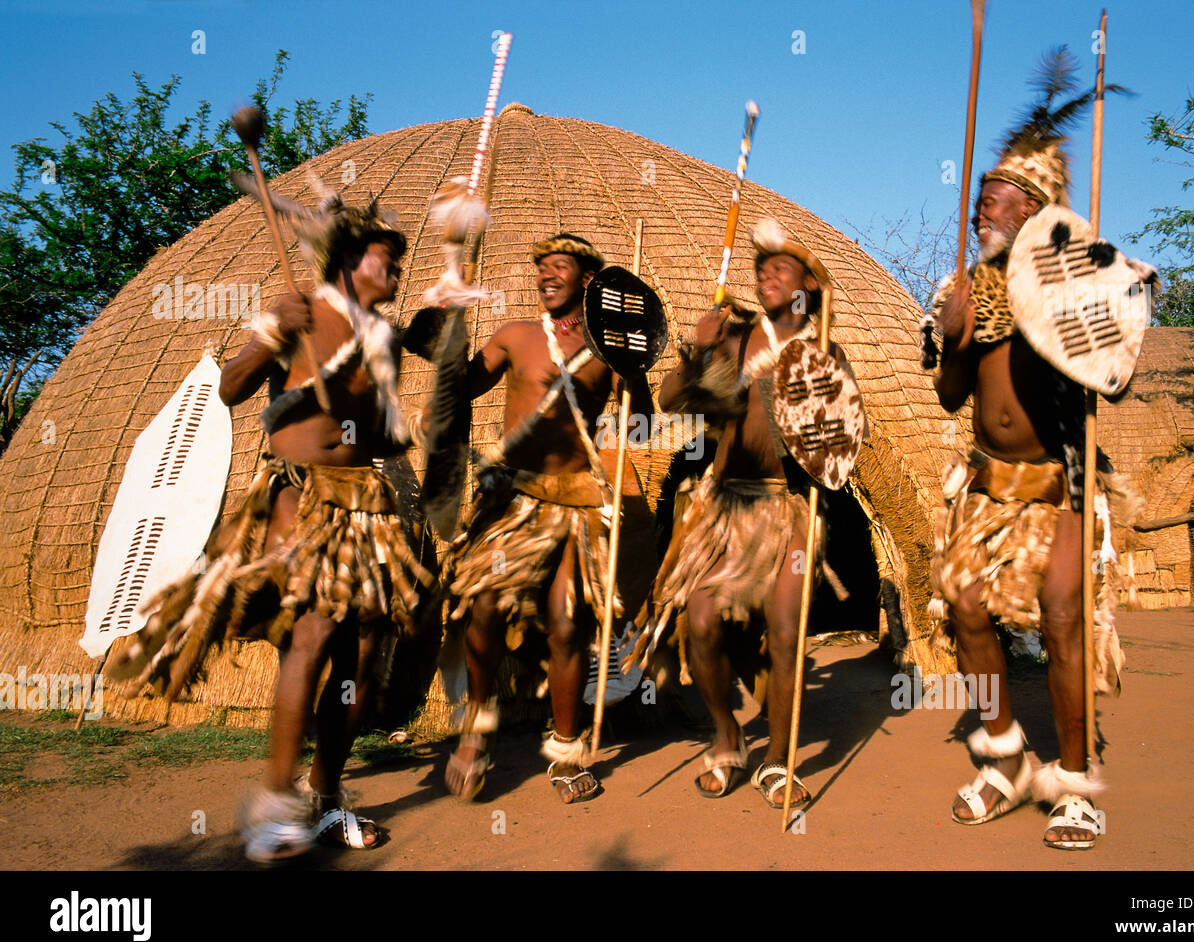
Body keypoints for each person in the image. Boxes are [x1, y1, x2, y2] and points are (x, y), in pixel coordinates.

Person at [107, 190, 434, 862]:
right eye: (387, 262)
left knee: (365, 665)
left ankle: (324, 792)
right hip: (301, 497)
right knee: (309, 636)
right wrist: (271, 338)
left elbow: (377, 432)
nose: (396, 276)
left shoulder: (381, 338)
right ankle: (274, 805)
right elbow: (228, 388)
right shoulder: (301, 312)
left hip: (366, 506)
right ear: (349, 260)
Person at [922, 61, 1151, 849]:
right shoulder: (964, 288)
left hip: (1060, 483)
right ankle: (1005, 755)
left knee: (1062, 618)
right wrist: (953, 335)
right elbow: (953, 394)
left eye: (999, 196)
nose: (983, 204)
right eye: (981, 193)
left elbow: (1112, 380)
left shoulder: (1073, 284)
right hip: (984, 487)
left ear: (1038, 212)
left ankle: (1077, 782)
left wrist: (1067, 316)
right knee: (966, 609)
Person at [628, 219, 851, 808]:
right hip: (724, 510)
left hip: (789, 511)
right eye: (762, 268)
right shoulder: (733, 338)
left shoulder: (824, 352)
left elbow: (844, 440)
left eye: (782, 267)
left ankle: (778, 762)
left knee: (785, 635)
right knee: (699, 624)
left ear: (808, 283)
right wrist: (700, 349)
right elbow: (670, 401)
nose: (767, 274)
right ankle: (728, 737)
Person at [440, 233, 652, 804]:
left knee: (567, 624)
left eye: (559, 266)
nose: (546, 275)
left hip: (577, 498)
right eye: (541, 267)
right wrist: (445, 338)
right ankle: (475, 732)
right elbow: (460, 386)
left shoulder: (609, 346)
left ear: (587, 279)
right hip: (513, 496)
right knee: (483, 608)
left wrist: (636, 368)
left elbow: (647, 423)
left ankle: (566, 749)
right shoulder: (514, 335)